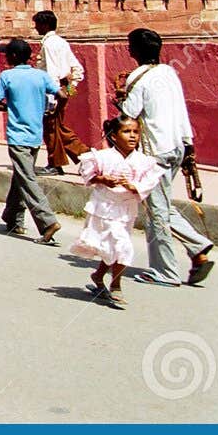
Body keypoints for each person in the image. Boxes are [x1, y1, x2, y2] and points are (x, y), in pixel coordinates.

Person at [117, 27, 215, 286]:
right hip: (176, 146)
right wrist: (188, 144)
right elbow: (180, 109)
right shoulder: (169, 73)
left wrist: (120, 102)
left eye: (130, 45)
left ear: (135, 50)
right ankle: (199, 247)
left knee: (155, 212)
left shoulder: (138, 78)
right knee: (162, 205)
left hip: (155, 152)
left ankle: (165, 271)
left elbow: (129, 113)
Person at [73, 116, 162, 307]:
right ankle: (116, 285)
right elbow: (87, 174)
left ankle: (98, 275)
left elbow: (150, 181)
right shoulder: (102, 156)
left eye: (135, 132)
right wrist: (102, 179)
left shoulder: (143, 161)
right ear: (114, 136)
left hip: (125, 209)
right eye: (126, 132)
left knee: (113, 246)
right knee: (121, 245)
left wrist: (134, 186)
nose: (132, 136)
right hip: (104, 206)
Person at [0, 38, 63, 246]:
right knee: (20, 176)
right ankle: (13, 217)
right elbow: (61, 94)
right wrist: (54, 110)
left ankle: (47, 221)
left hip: (17, 135)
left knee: (27, 178)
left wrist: (10, 108)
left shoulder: (7, 76)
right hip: (34, 135)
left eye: (7, 54)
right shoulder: (41, 76)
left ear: (13, 57)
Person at [33, 10, 87, 176]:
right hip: (64, 89)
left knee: (51, 127)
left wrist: (53, 97)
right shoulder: (62, 42)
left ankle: (79, 158)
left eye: (37, 24)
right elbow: (77, 69)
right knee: (57, 126)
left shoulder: (49, 44)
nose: (35, 28)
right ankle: (84, 159)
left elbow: (52, 73)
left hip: (54, 92)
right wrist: (70, 89)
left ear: (45, 25)